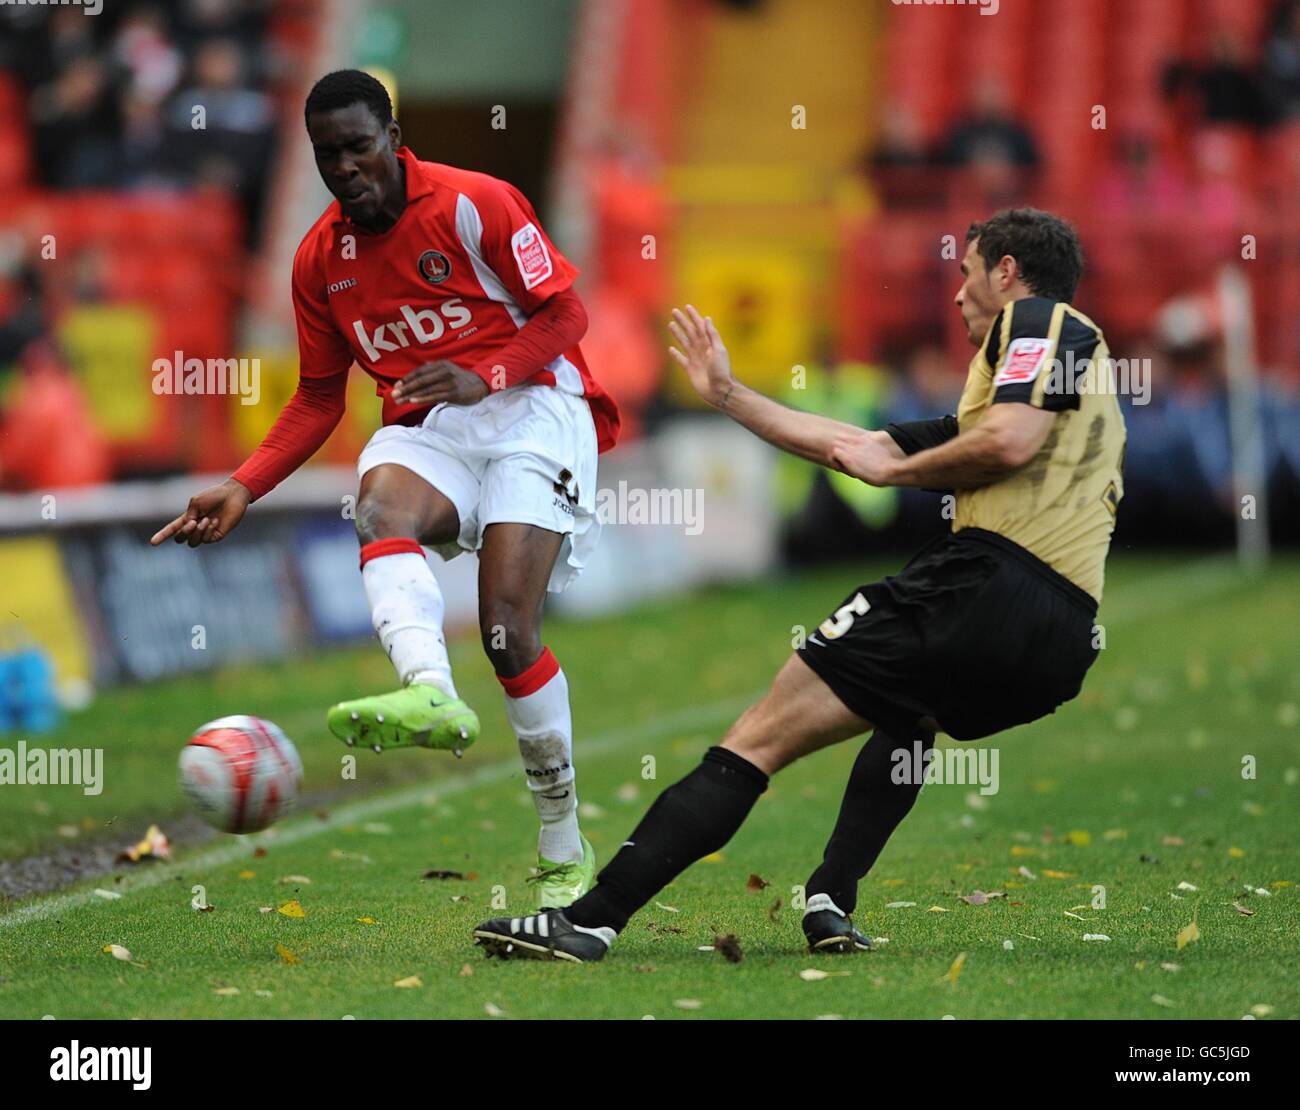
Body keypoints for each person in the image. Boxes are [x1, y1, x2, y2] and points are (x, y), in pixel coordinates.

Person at [472, 208, 1125, 961]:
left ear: (1007, 272)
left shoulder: (1041, 322)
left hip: (987, 583)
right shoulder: (1052, 384)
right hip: (1061, 638)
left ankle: (589, 919)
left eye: (967, 271)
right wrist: (728, 395)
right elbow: (859, 445)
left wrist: (899, 474)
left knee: (758, 736)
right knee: (910, 715)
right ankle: (830, 899)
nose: (956, 296)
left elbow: (1003, 445)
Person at [152, 70, 620, 909]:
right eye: (327, 155)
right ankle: (427, 692)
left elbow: (566, 317)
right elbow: (319, 399)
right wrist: (241, 487)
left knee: (508, 632)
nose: (345, 169)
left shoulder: (478, 204)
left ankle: (561, 839)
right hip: (435, 421)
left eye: (359, 147)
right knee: (377, 505)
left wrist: (488, 373)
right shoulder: (317, 261)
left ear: (394, 139)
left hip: (536, 407)